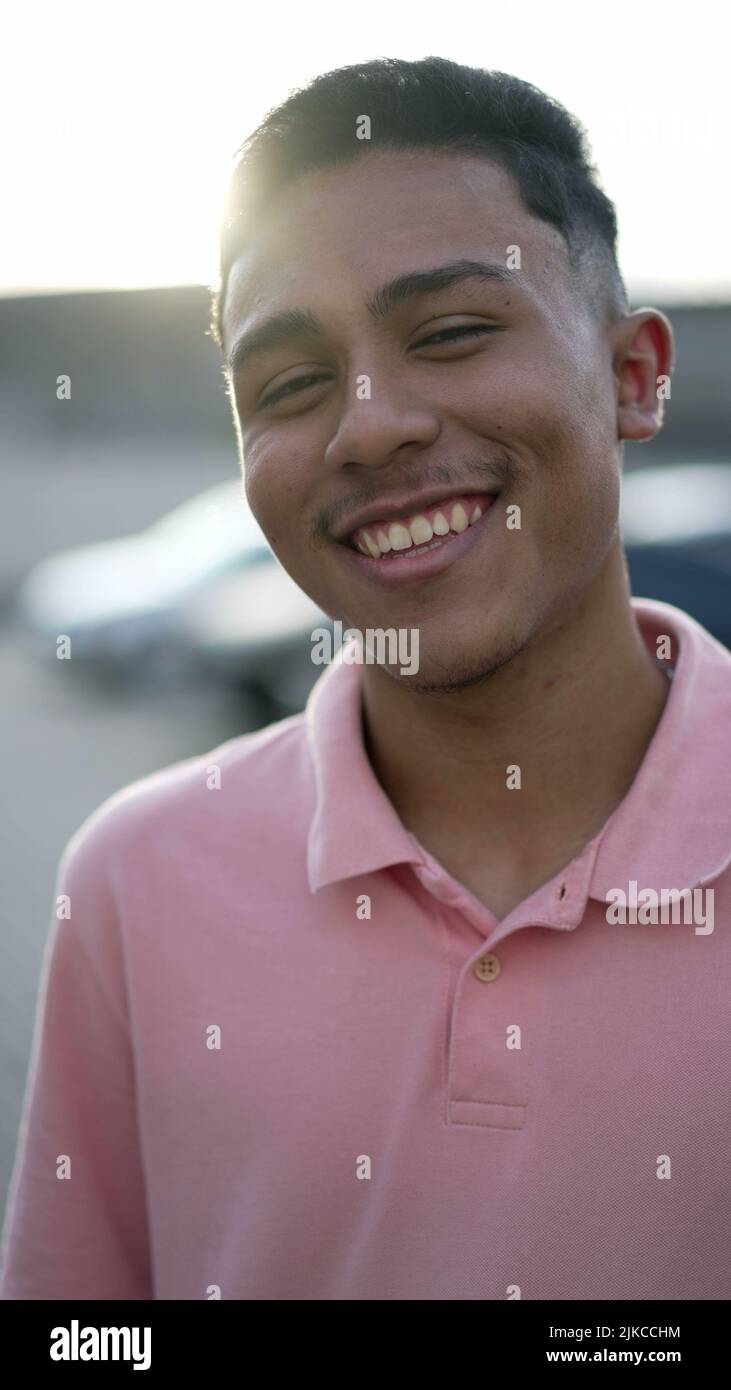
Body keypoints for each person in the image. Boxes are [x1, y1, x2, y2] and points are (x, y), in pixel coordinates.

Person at [2, 56, 729, 1302]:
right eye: (287, 385)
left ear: (632, 377)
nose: (369, 425)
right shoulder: (136, 878)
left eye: (448, 332)